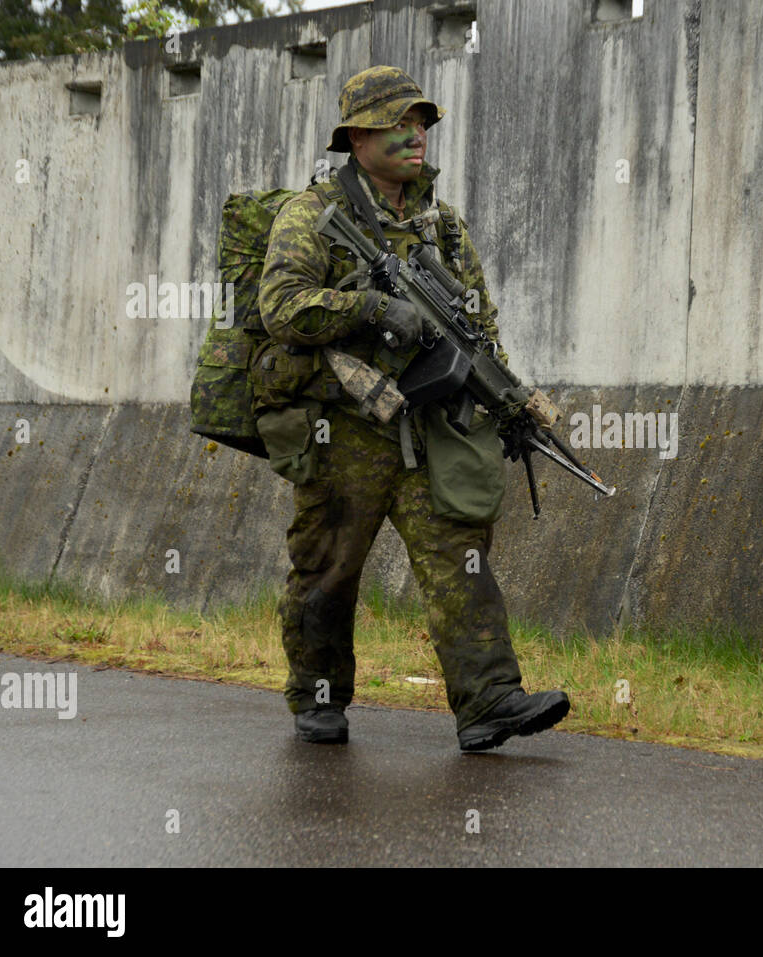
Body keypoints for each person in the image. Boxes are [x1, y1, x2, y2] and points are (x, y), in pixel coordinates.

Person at [257, 65, 569, 751]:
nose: (415, 133)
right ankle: (319, 694)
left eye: (421, 121)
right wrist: (371, 307)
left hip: (429, 427)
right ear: (358, 136)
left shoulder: (444, 227)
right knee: (328, 568)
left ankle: (488, 699)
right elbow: (280, 306)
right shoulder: (312, 215)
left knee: (462, 558)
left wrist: (505, 399)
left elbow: (479, 324)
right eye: (398, 122)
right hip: (344, 426)